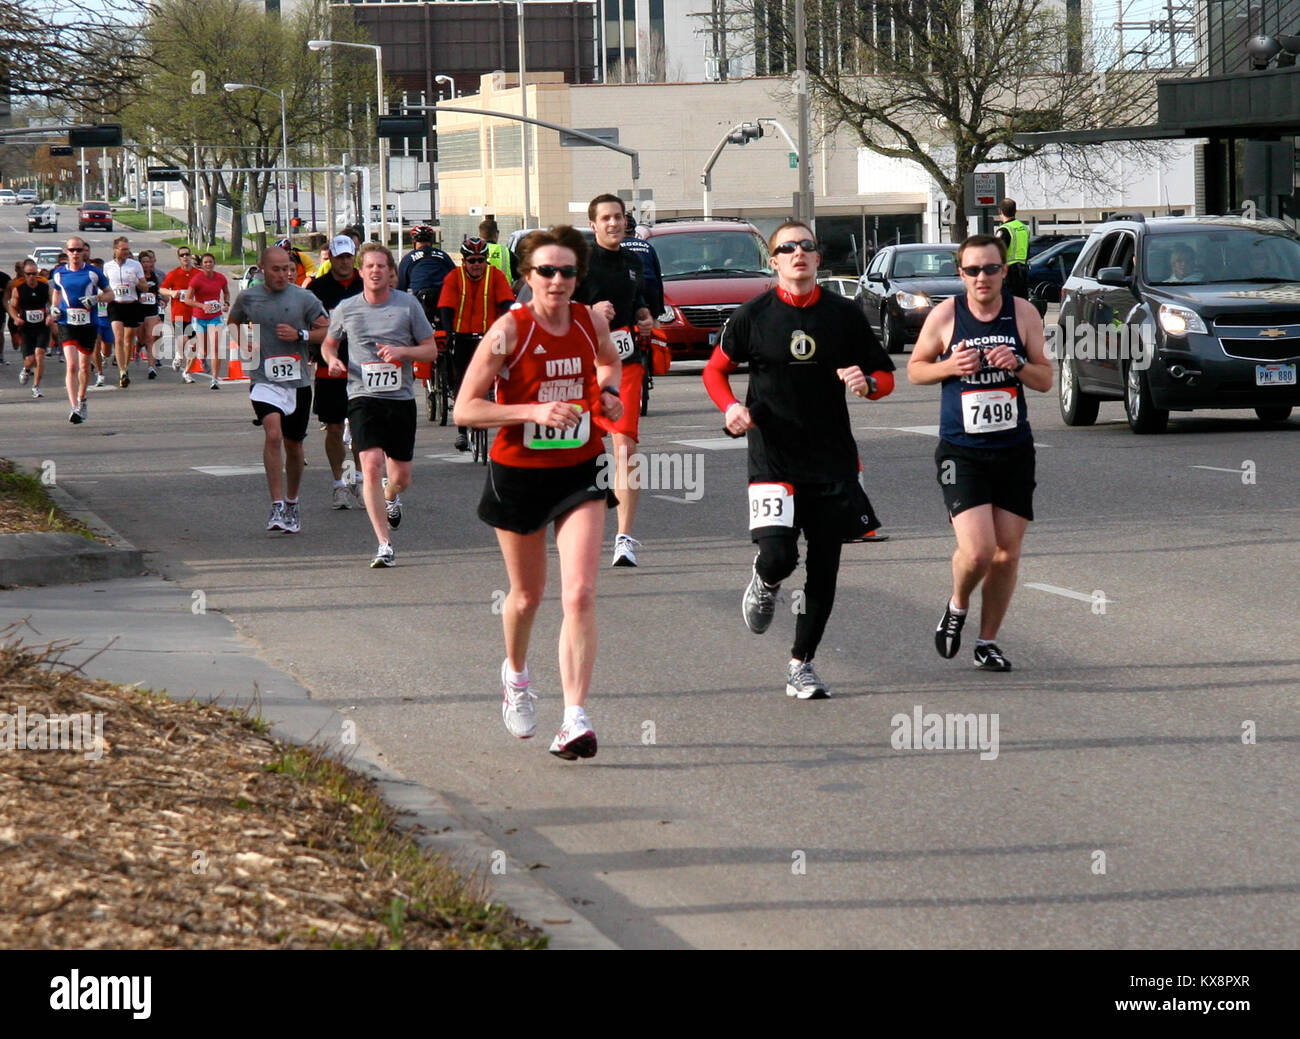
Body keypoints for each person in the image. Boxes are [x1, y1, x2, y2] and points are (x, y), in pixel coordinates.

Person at [704, 220, 895, 699]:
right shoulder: (753, 315)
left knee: (825, 566)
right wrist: (731, 409)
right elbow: (715, 371)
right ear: (773, 262)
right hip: (773, 455)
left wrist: (867, 384)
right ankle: (765, 579)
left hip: (831, 459)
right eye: (787, 248)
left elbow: (883, 376)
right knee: (780, 554)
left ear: (817, 258)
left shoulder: (843, 314)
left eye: (807, 246)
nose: (798, 254)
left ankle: (800, 664)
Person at [453, 226, 624, 759]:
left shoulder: (588, 319)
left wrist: (610, 394)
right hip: (520, 471)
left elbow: (608, 360)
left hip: (580, 466)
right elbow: (465, 408)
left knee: (580, 593)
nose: (557, 280)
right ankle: (517, 676)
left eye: (567, 271)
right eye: (546, 271)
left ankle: (575, 717)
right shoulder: (509, 330)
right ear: (526, 277)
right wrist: (530, 410)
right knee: (527, 596)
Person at [907, 233, 1052, 672]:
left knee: (1007, 552)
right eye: (972, 270)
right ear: (961, 274)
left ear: (1004, 271)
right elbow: (915, 370)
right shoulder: (946, 315)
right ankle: (957, 605)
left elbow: (1046, 379)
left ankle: (987, 642)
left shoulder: (1023, 314)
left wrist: (1019, 365)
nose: (982, 277)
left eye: (991, 268)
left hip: (1013, 449)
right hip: (962, 450)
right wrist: (951, 365)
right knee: (978, 552)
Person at [321, 243, 438, 567]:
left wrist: (403, 353)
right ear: (361, 271)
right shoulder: (346, 308)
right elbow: (329, 346)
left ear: (390, 273)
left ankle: (392, 495)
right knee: (370, 466)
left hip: (399, 399)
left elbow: (430, 351)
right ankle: (384, 544)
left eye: (381, 266)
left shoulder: (408, 306)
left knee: (400, 477)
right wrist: (331, 361)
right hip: (362, 396)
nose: (375, 271)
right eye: (369, 266)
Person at [573, 193, 655, 567]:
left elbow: (640, 300)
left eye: (618, 217)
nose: (613, 223)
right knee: (582, 453)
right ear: (593, 225)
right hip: (581, 367)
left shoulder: (634, 261)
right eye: (605, 218)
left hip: (625, 363)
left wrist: (643, 314)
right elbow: (553, 308)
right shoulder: (578, 264)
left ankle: (624, 538)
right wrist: (589, 312)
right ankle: (578, 529)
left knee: (625, 448)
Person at [226, 246, 330, 534]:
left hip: (297, 382)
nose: (284, 274)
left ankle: (292, 502)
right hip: (264, 379)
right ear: (262, 268)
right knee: (273, 434)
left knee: (294, 445)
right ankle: (276, 504)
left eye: (287, 268)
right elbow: (232, 322)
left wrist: (302, 335)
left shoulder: (304, 297)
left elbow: (329, 330)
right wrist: (243, 341)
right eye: (276, 269)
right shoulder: (249, 296)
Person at [437, 235, 515, 451]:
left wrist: (505, 328)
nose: (477, 265)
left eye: (481, 260)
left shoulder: (495, 276)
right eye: (472, 260)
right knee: (461, 379)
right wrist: (448, 332)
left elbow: (507, 303)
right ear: (464, 261)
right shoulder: (454, 277)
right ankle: (462, 431)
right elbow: (446, 307)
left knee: (500, 372)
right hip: (461, 336)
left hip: (488, 336)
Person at [306, 235, 365, 509]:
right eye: (339, 257)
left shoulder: (366, 285)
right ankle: (339, 484)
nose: (344, 262)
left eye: (348, 256)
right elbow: (309, 327)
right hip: (330, 369)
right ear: (331, 257)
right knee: (333, 428)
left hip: (365, 369)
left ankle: (361, 481)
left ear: (354, 257)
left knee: (363, 429)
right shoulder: (318, 288)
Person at [49, 238, 109, 424]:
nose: (75, 253)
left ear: (84, 251)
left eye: (78, 250)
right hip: (67, 323)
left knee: (84, 366)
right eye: (72, 250)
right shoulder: (59, 274)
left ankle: (82, 399)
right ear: (66, 252)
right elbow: (57, 293)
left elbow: (110, 294)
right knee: (72, 365)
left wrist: (95, 299)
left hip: (88, 324)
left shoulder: (93, 273)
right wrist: (54, 308)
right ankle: (74, 407)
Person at [102, 236, 148, 388]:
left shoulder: (135, 265)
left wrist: (135, 281)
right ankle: (122, 372)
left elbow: (145, 287)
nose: (126, 252)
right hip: (116, 305)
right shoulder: (108, 267)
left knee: (129, 340)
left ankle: (125, 367)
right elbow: (104, 287)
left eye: (128, 249)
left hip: (132, 304)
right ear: (115, 250)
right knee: (119, 338)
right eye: (123, 249)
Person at [184, 252, 230, 388]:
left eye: (210, 262)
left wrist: (226, 303)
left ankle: (214, 379)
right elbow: (187, 299)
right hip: (199, 317)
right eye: (205, 262)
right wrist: (202, 305)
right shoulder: (196, 279)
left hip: (215, 317)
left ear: (214, 263)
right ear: (202, 265)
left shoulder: (220, 278)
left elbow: (226, 292)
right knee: (203, 349)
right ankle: (188, 369)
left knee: (215, 348)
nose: (208, 264)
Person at [397, 225, 455, 326]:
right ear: (431, 242)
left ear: (414, 243)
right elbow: (456, 278)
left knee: (420, 331)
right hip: (443, 295)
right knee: (448, 330)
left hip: (422, 296)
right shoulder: (443, 255)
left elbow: (400, 287)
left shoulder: (408, 258)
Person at [9, 261, 50, 398]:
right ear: (24, 275)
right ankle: (26, 369)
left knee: (39, 354)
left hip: (42, 327)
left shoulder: (45, 287)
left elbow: (53, 303)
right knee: (30, 359)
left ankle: (36, 387)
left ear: (37, 273)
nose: (32, 277)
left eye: (34, 274)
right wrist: (15, 318)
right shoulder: (18, 289)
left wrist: (51, 315)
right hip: (26, 328)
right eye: (28, 274)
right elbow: (12, 307)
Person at [160, 246, 198, 373]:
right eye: (182, 255)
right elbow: (162, 289)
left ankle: (185, 364)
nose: (185, 257)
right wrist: (172, 293)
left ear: (190, 256)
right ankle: (179, 356)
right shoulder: (174, 274)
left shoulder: (198, 274)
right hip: (179, 312)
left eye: (187, 254)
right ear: (179, 258)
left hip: (195, 313)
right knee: (183, 337)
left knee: (194, 341)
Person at [621, 212, 664, 320]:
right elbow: (657, 276)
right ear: (634, 231)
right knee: (652, 324)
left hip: (628, 291)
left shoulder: (617, 247)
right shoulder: (647, 246)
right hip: (650, 289)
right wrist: (659, 308)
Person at [994, 198, 1030, 299]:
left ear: (1000, 211)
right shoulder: (1024, 228)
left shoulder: (1004, 230)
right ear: (1015, 211)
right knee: (1021, 304)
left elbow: (997, 253)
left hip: (1008, 274)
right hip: (1023, 272)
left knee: (1007, 305)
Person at [136, 250, 162, 379]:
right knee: (142, 338)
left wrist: (160, 300)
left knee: (151, 338)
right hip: (139, 311)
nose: (146, 264)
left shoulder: (154, 276)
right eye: (143, 262)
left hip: (152, 310)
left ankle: (151, 367)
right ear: (139, 263)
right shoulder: (137, 277)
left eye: (148, 261)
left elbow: (157, 292)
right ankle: (139, 346)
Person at [479, 217, 512, 283]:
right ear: (497, 233)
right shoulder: (506, 252)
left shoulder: (474, 251)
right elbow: (521, 277)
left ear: (480, 235)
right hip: (503, 292)